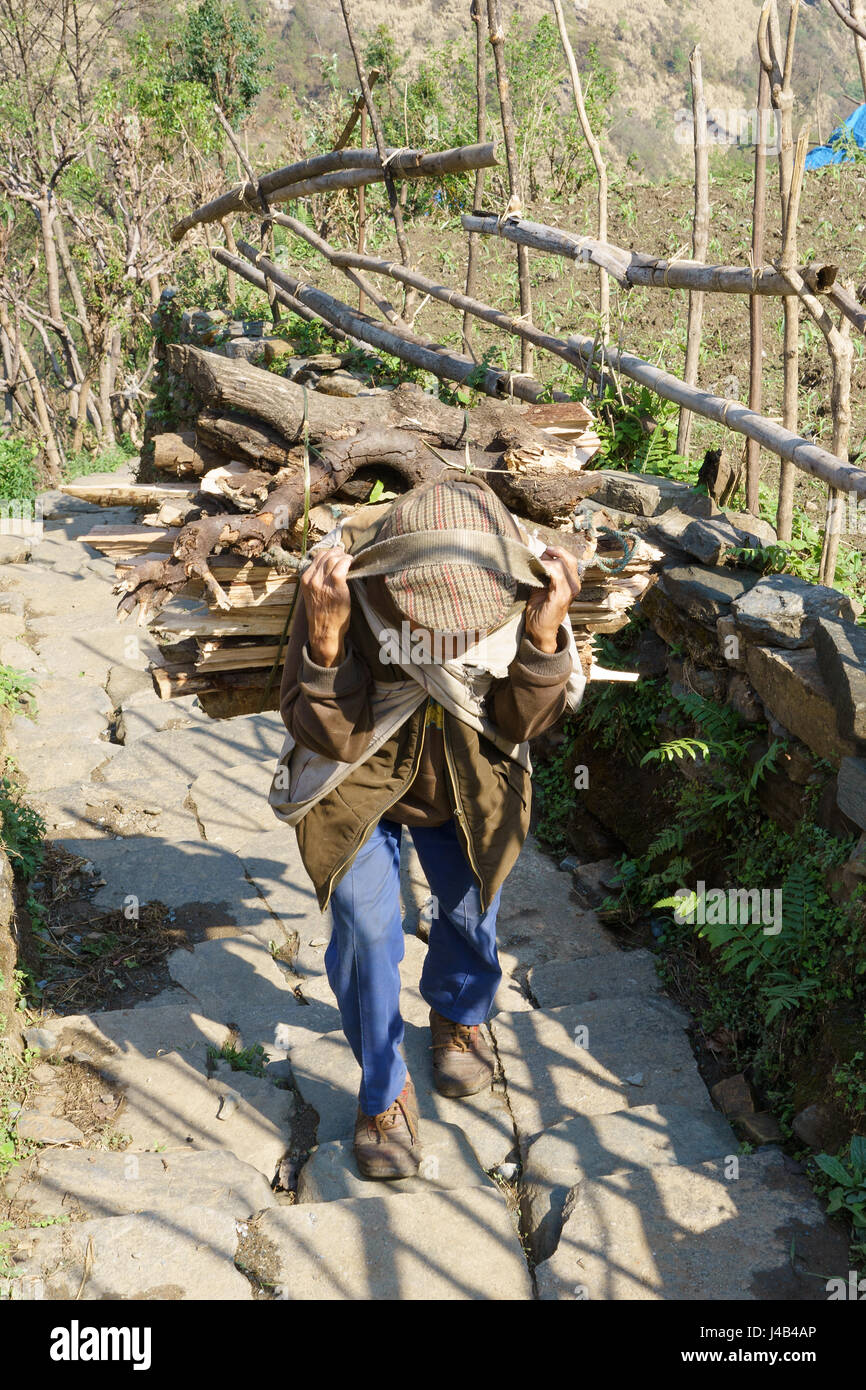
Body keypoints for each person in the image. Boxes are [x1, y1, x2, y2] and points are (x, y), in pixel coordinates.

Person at [278, 474, 583, 1178]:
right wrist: (325, 641)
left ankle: (458, 1009)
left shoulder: (518, 585)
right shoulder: (343, 586)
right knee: (365, 932)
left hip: (471, 780)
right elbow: (327, 736)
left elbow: (520, 725)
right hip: (357, 782)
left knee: (473, 906)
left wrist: (541, 638)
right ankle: (382, 1090)